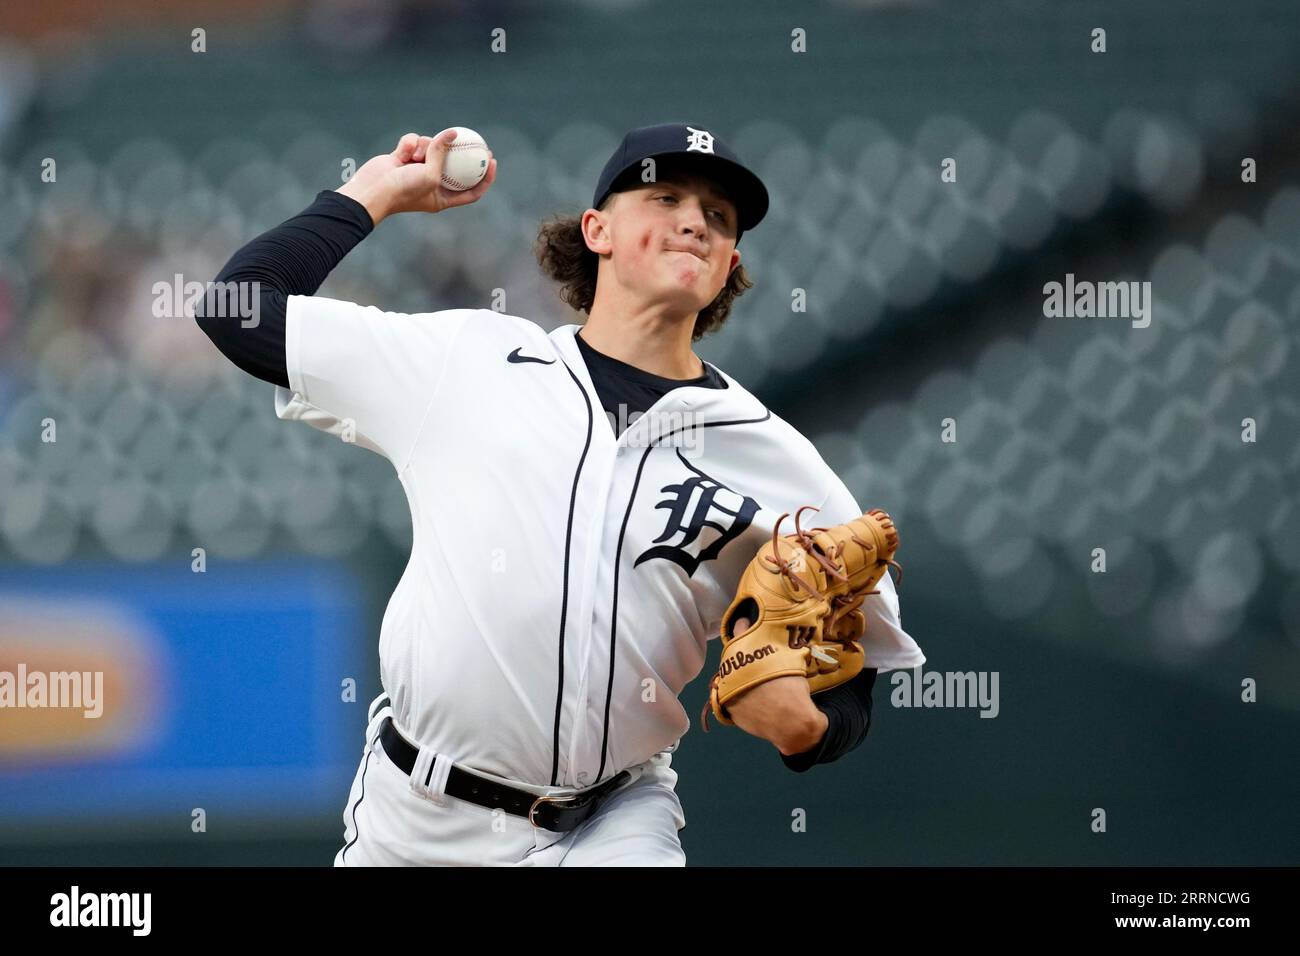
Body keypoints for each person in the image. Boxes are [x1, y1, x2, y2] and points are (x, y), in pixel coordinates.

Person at [194, 122, 925, 866]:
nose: (694, 221)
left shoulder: (774, 459)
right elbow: (236, 311)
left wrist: (808, 728)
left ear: (729, 262)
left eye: (718, 217)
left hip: (611, 824)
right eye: (666, 195)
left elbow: (857, 662)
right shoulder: (468, 362)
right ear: (596, 230)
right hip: (413, 819)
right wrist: (376, 190)